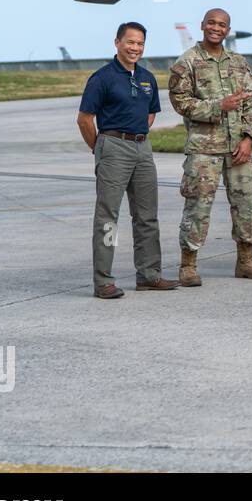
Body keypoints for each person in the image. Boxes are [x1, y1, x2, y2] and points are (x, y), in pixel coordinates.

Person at [77, 22, 180, 298]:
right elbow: (85, 119)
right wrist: (101, 147)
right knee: (108, 217)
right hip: (113, 147)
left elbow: (150, 113)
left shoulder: (147, 77)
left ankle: (149, 275)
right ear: (117, 43)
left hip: (142, 149)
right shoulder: (102, 78)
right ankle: (103, 282)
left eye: (140, 43)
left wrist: (137, 136)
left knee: (147, 216)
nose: (135, 48)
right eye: (130, 42)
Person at [168, 8, 252, 284]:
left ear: (228, 29)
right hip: (204, 149)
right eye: (211, 22)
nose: (216, 28)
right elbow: (181, 102)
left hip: (239, 149)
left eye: (222, 24)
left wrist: (249, 139)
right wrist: (218, 106)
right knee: (197, 207)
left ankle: (246, 261)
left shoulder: (238, 62)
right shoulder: (187, 62)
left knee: (246, 205)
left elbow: (251, 105)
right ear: (202, 25)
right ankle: (188, 265)